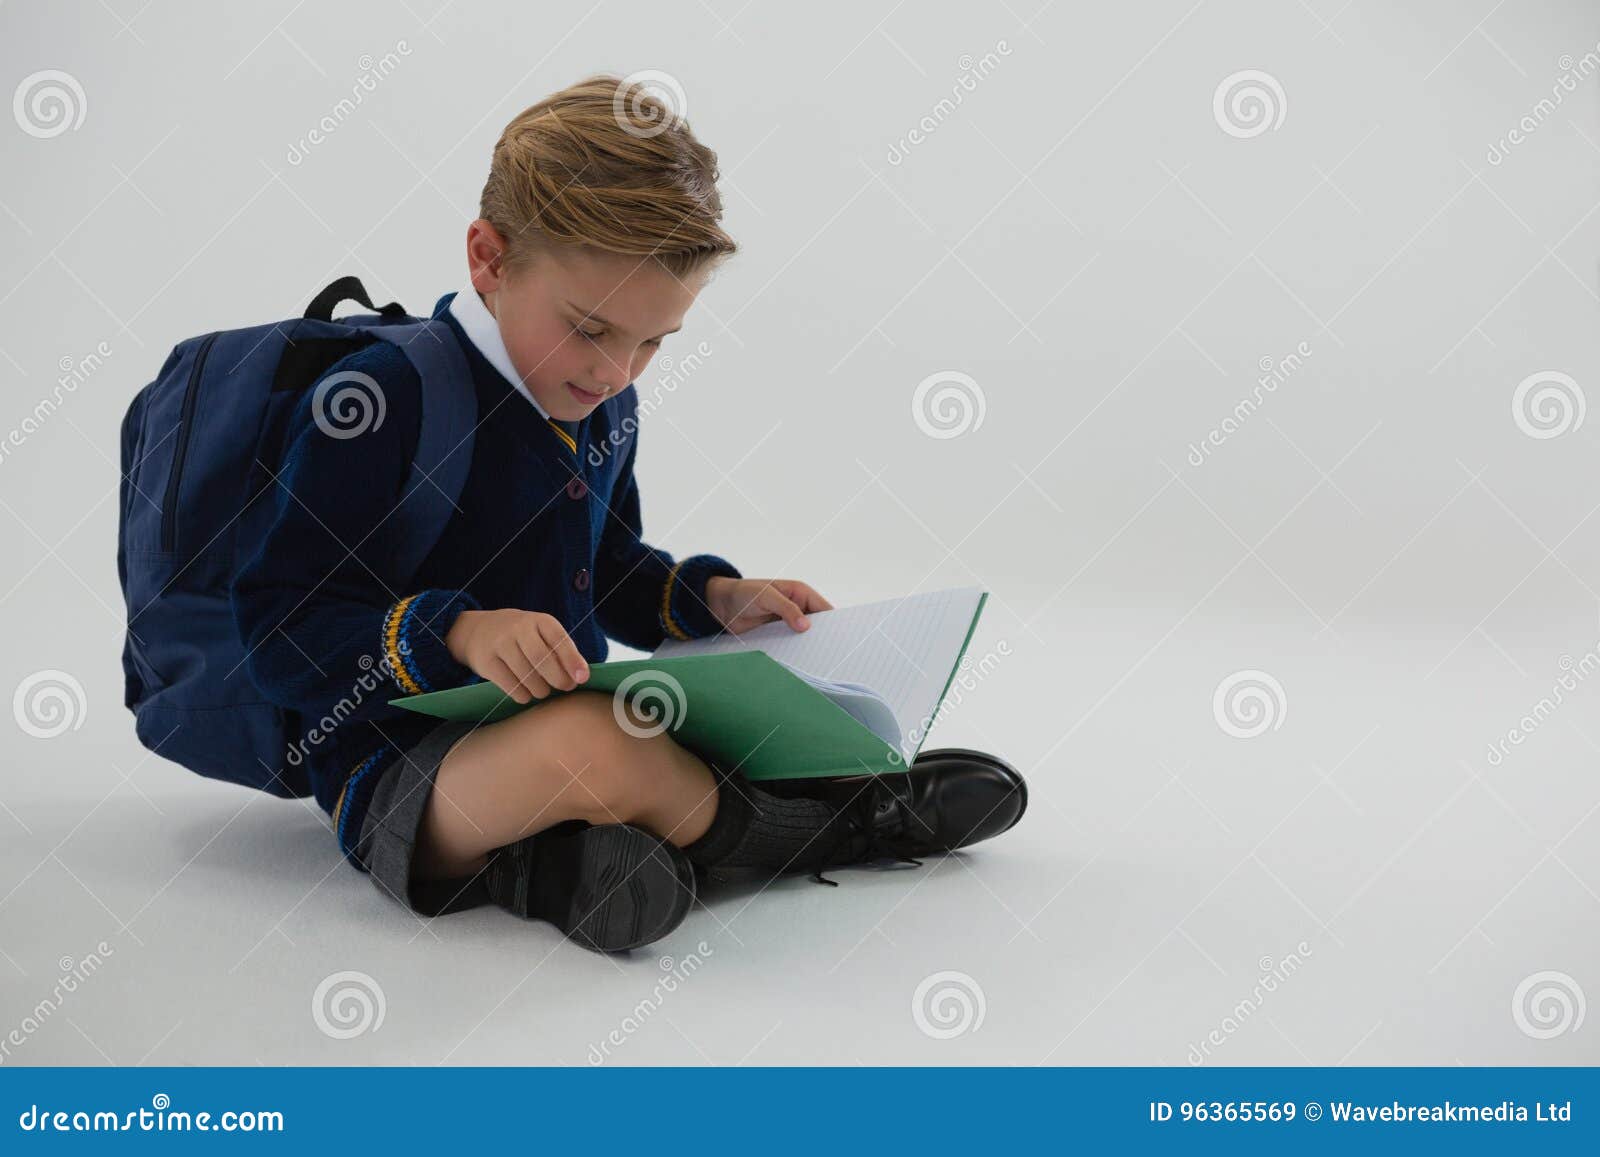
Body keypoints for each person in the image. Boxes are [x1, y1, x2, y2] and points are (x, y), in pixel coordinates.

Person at [231, 75, 1026, 953]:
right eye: (592, 328)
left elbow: (606, 565)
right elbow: (279, 631)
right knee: (594, 746)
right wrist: (457, 635)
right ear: (489, 260)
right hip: (403, 768)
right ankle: (823, 826)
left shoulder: (596, 404)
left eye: (654, 341)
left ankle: (562, 867)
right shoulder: (381, 400)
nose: (618, 371)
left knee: (665, 719)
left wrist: (710, 598)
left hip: (567, 723)